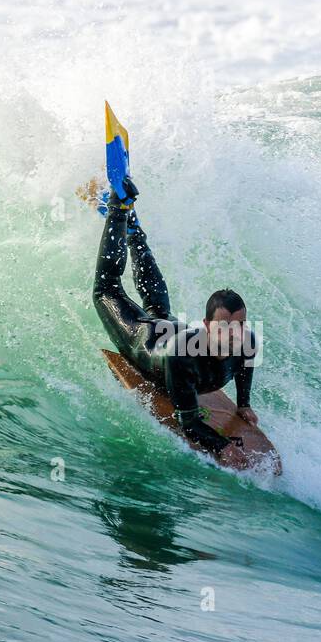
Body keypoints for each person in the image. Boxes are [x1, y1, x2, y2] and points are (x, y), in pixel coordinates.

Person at [93, 177, 258, 459]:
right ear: (206, 326)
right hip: (144, 339)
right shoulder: (182, 358)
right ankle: (119, 209)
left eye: (239, 325)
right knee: (106, 289)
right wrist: (222, 447)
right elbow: (189, 425)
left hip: (170, 330)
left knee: (158, 307)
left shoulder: (247, 341)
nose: (234, 334)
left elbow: (244, 369)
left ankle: (134, 232)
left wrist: (244, 404)